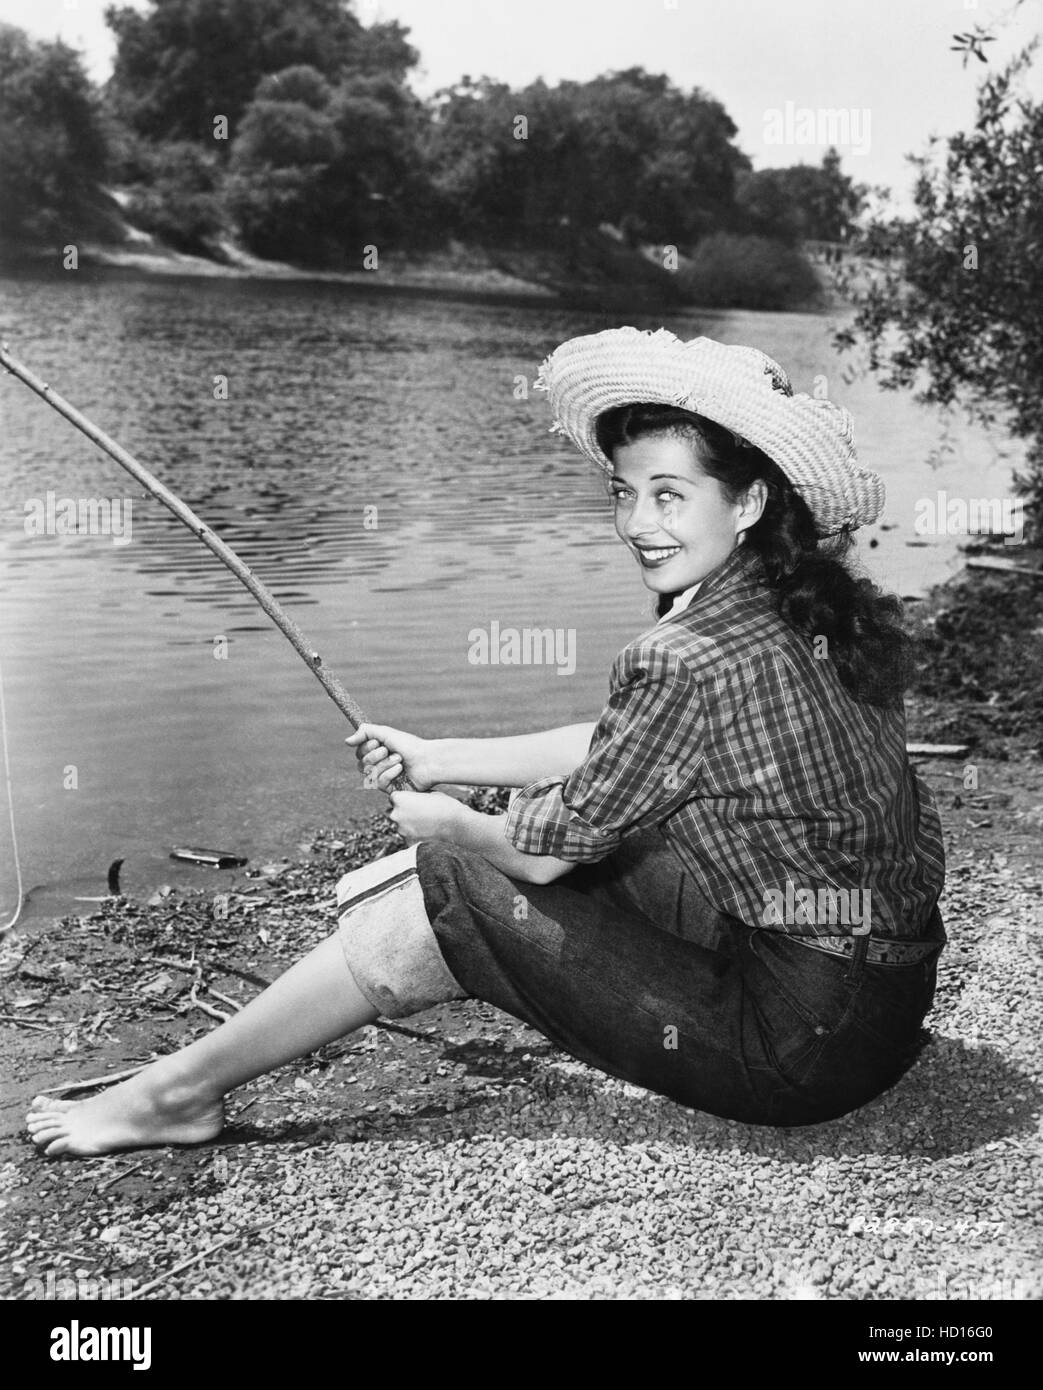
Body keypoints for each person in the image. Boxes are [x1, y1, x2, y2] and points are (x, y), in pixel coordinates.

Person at [26, 326, 946, 1156]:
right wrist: (438, 755)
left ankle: (178, 1093)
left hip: (800, 1047)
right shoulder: (804, 610)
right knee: (575, 836)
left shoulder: (683, 653)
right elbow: (621, 743)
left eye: (671, 496)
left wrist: (443, 824)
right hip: (884, 1003)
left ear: (746, 501)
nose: (637, 524)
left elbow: (540, 860)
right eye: (624, 493)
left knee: (463, 877)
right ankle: (311, 986)